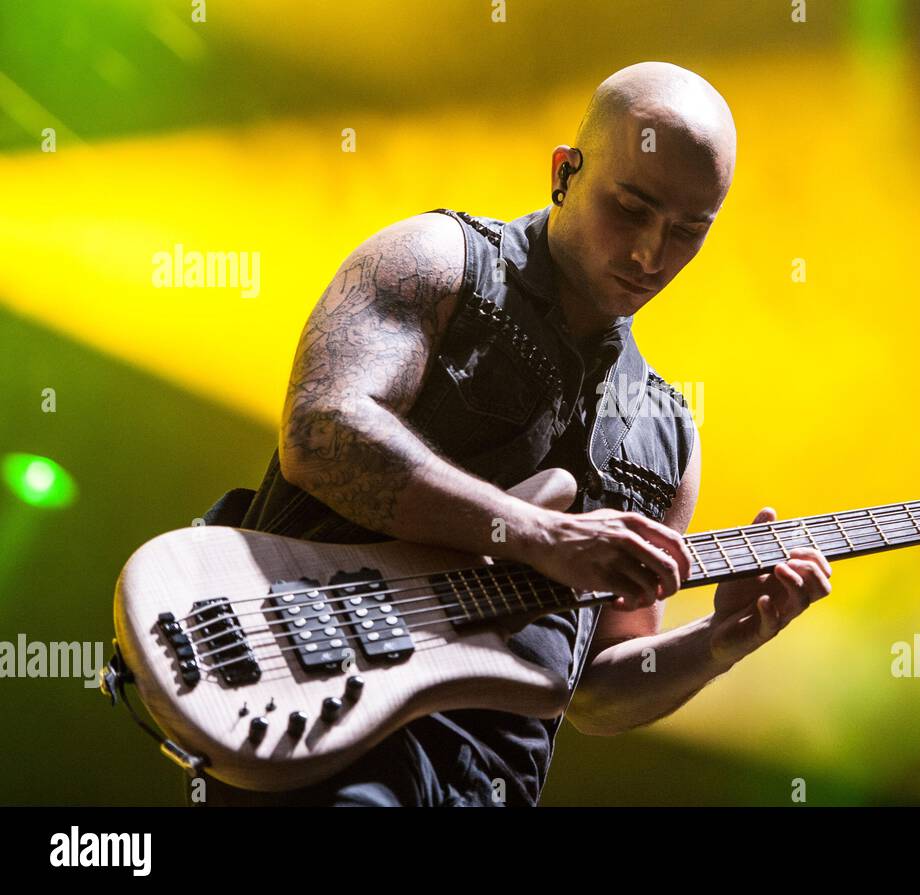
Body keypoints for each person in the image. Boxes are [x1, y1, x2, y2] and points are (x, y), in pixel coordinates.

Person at [196, 61, 831, 807]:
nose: (650, 256)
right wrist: (537, 535)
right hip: (318, 719)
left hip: (487, 787)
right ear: (565, 172)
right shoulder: (437, 263)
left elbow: (593, 691)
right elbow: (322, 434)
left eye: (688, 233)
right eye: (630, 208)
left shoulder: (667, 434)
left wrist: (720, 643)